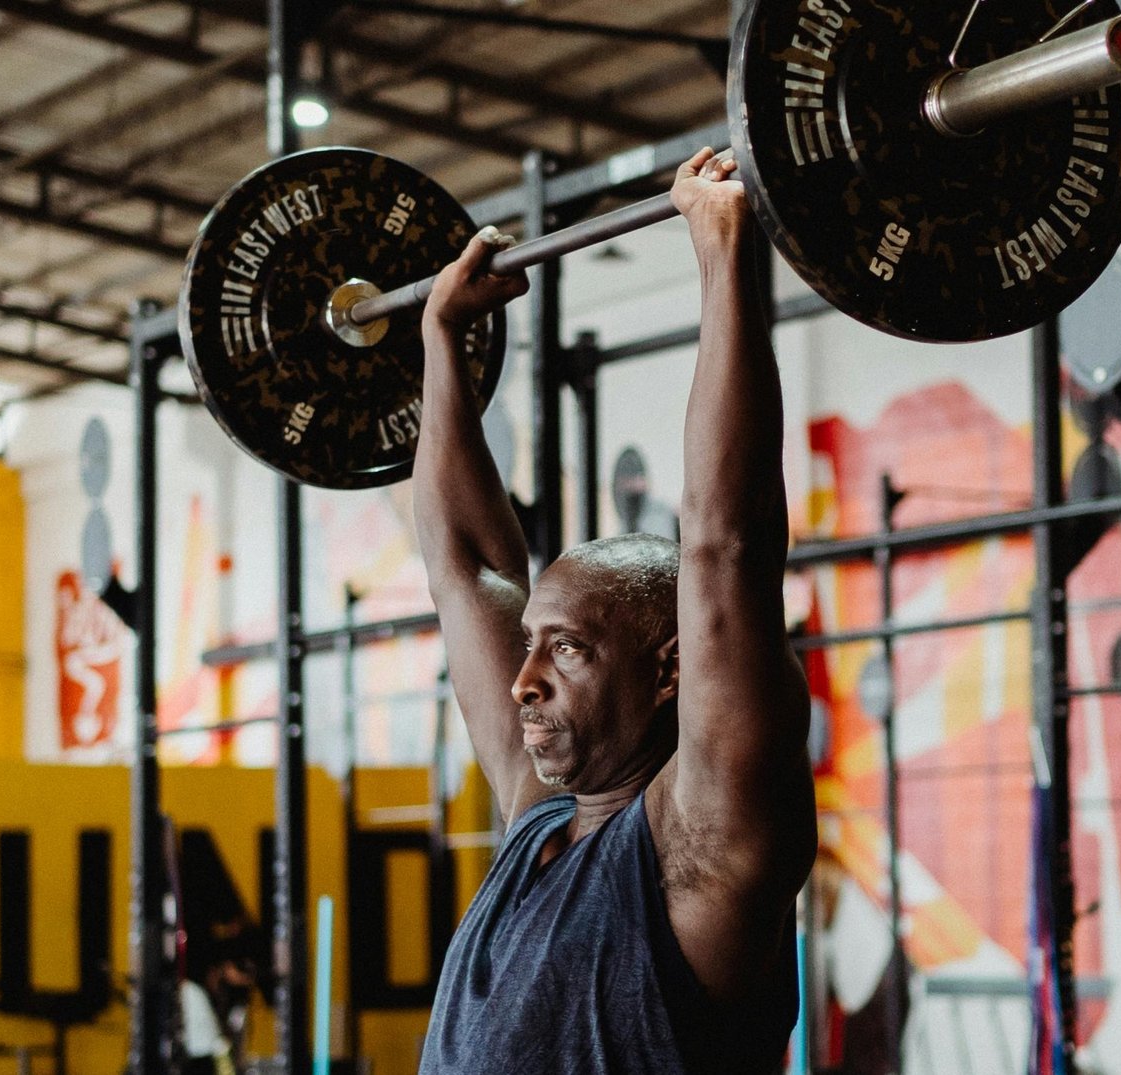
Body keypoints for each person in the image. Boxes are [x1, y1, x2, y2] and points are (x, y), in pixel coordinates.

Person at [411, 147, 817, 1073]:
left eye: (568, 649)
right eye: (530, 648)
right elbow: (465, 564)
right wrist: (442, 347)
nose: (523, 683)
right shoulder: (538, 818)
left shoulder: (702, 849)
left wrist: (724, 260)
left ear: (672, 665)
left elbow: (729, 542)